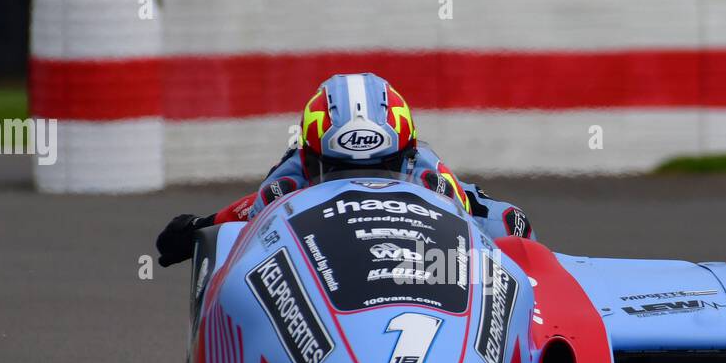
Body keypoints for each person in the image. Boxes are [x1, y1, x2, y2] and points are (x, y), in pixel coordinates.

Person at [156, 72, 534, 268]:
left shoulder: (431, 177)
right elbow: (249, 229)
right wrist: (199, 231)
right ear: (310, 158)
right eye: (337, 168)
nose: (363, 183)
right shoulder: (287, 182)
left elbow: (501, 220)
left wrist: (514, 255)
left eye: (383, 167)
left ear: (407, 154)